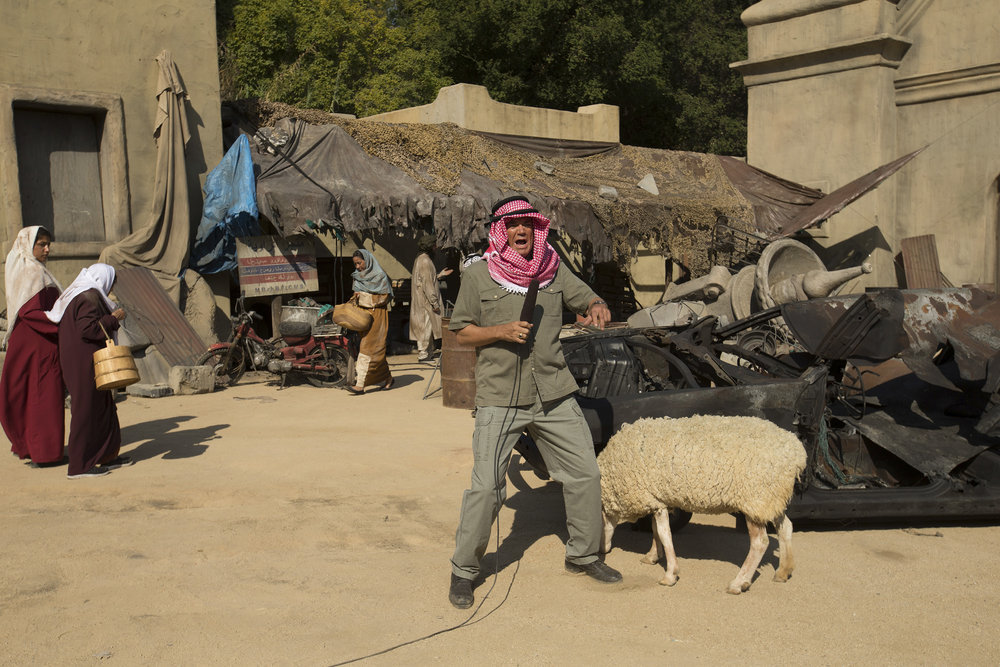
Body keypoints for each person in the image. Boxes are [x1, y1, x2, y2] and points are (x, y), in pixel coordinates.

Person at [446, 195, 620, 610]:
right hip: (500, 397)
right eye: (513, 225)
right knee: (487, 488)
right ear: (500, 230)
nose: (521, 231)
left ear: (537, 228)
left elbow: (589, 300)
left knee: (585, 474)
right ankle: (463, 571)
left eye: (528, 224)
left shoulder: (552, 269)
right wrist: (501, 331)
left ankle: (583, 555)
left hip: (553, 393)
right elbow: (461, 332)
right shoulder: (479, 275)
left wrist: (597, 307)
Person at [45, 263, 131, 479]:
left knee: (104, 407)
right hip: (83, 362)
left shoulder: (81, 293)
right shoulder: (88, 296)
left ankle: (107, 455)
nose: (110, 290)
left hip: (87, 360)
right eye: (111, 284)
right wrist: (114, 318)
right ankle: (79, 466)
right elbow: (88, 329)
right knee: (85, 411)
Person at [0, 226, 65, 466]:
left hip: (34, 343)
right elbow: (31, 312)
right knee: (43, 397)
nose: (47, 249)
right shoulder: (31, 273)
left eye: (49, 244)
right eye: (42, 245)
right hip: (38, 344)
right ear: (29, 246)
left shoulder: (32, 269)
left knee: (34, 396)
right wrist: (61, 326)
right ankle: (44, 453)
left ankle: (32, 447)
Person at [346, 249, 394, 394]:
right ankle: (387, 377)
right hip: (363, 317)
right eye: (355, 264)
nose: (357, 267)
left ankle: (360, 384)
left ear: (368, 261)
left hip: (377, 316)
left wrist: (364, 297)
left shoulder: (380, 276)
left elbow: (384, 297)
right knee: (375, 348)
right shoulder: (357, 277)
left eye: (359, 263)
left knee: (367, 348)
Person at [409, 233, 453, 362]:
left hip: (424, 300)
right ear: (430, 246)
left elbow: (427, 279)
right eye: (434, 245)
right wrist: (434, 303)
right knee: (426, 325)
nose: (436, 247)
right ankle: (423, 353)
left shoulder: (421, 259)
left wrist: (440, 275)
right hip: (426, 301)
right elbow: (428, 284)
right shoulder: (425, 261)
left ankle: (427, 352)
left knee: (427, 326)